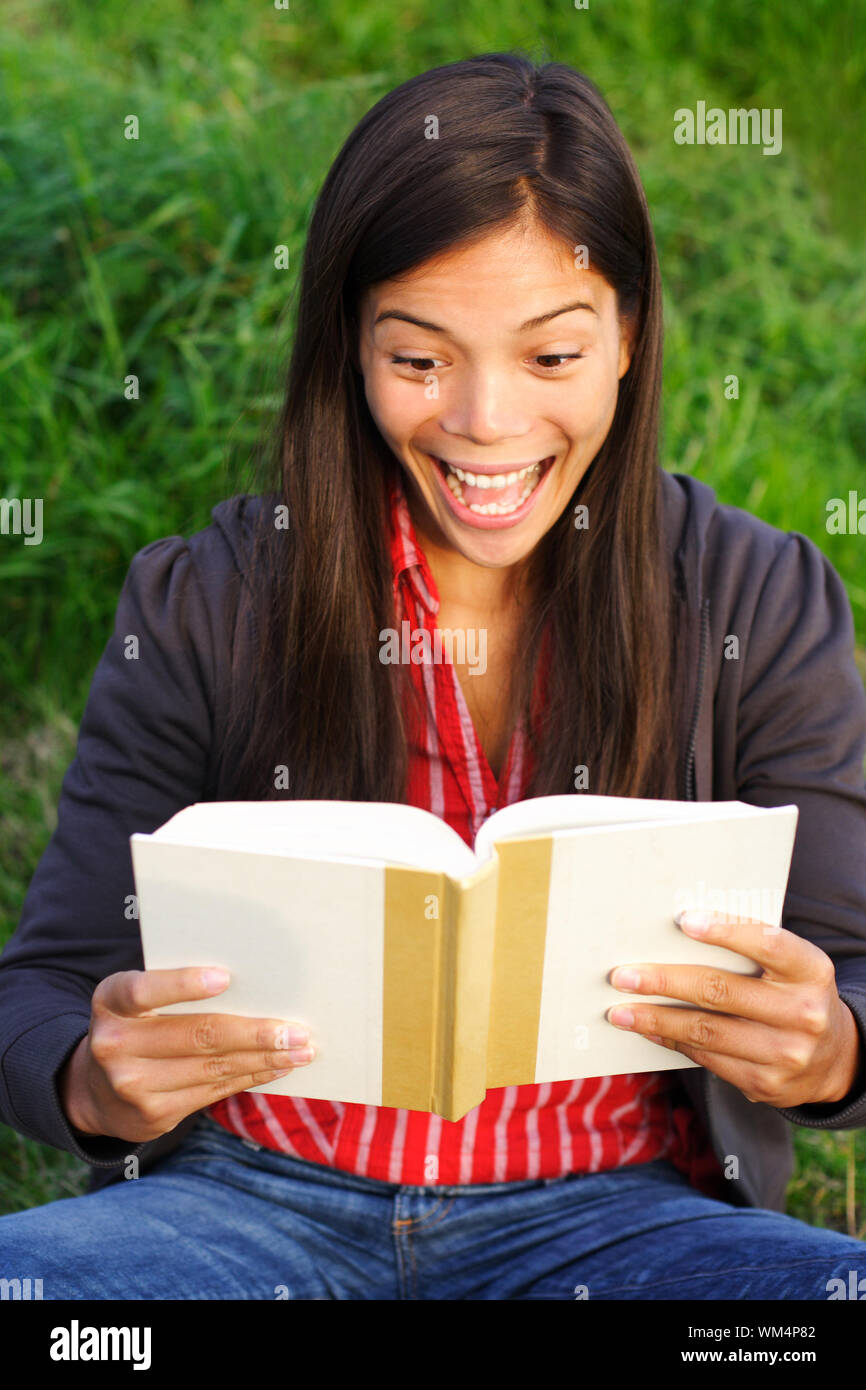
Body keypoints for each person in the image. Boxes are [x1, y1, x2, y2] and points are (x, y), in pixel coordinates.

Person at [1, 52, 865, 1301]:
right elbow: (39, 987)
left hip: (618, 1227)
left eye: (551, 359)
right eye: (419, 359)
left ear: (626, 334)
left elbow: (849, 965)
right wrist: (93, 1077)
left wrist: (827, 1046)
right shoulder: (207, 599)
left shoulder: (756, 598)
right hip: (242, 1212)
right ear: (348, 348)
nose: (485, 423)